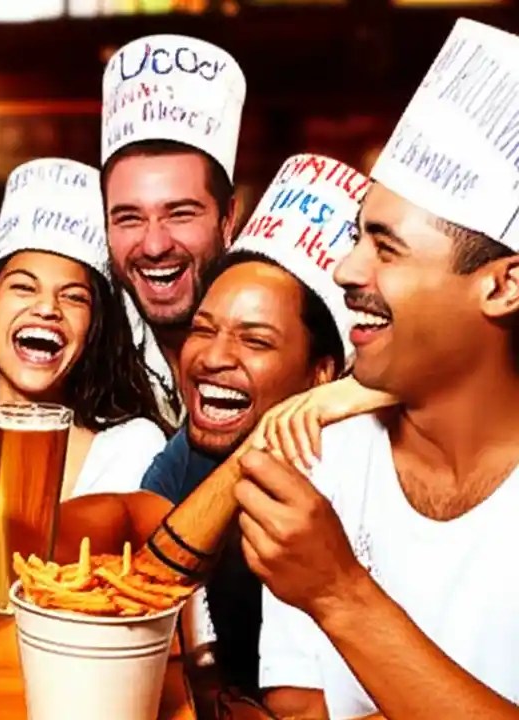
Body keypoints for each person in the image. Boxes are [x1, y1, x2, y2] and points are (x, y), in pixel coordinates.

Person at [249, 19, 519, 718]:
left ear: (503, 286)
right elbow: (297, 701)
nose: (344, 269)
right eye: (354, 237)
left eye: (386, 248)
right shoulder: (323, 454)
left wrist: (339, 590)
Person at [141, 154, 392, 697]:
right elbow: (142, 576)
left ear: (322, 373)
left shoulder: (364, 472)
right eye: (202, 329)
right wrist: (259, 443)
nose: (212, 358)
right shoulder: (191, 451)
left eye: (255, 340)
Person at [0, 158, 167, 497]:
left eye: (74, 297)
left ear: (94, 328)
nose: (48, 308)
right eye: (23, 287)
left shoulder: (131, 447)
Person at [100, 34, 248, 429]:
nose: (154, 245)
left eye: (180, 214)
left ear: (228, 219)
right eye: (129, 218)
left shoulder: (284, 340)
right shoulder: (84, 341)